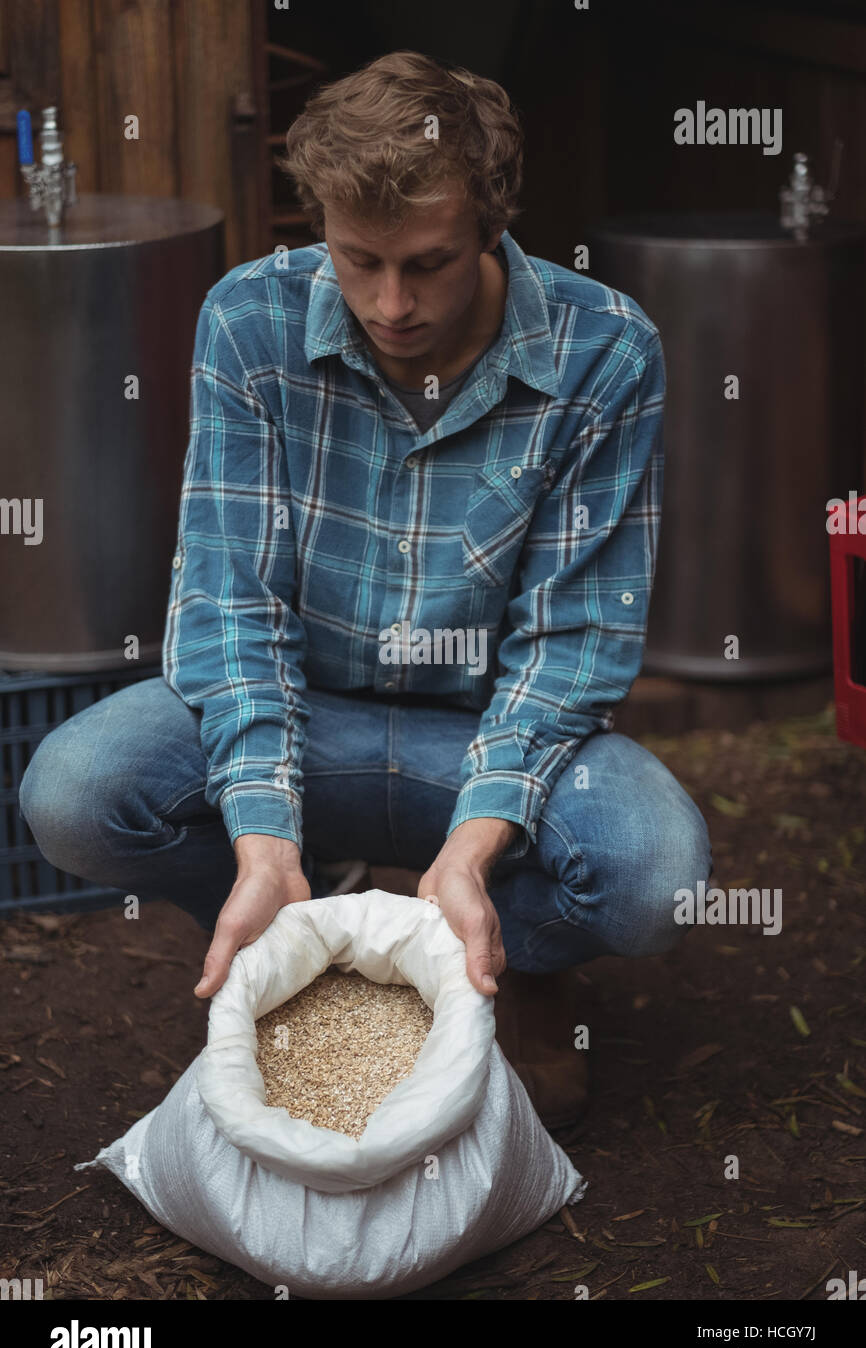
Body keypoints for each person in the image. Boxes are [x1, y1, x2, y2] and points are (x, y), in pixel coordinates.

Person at [19, 50, 711, 1133]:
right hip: (311, 716)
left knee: (655, 875)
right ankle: (309, 922)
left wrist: (476, 839)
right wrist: (262, 838)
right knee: (74, 787)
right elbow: (230, 607)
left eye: (428, 263)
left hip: (482, 734)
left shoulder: (604, 350)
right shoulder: (247, 321)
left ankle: (487, 955)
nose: (391, 304)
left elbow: (570, 642)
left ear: (490, 222)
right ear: (320, 228)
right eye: (359, 261)